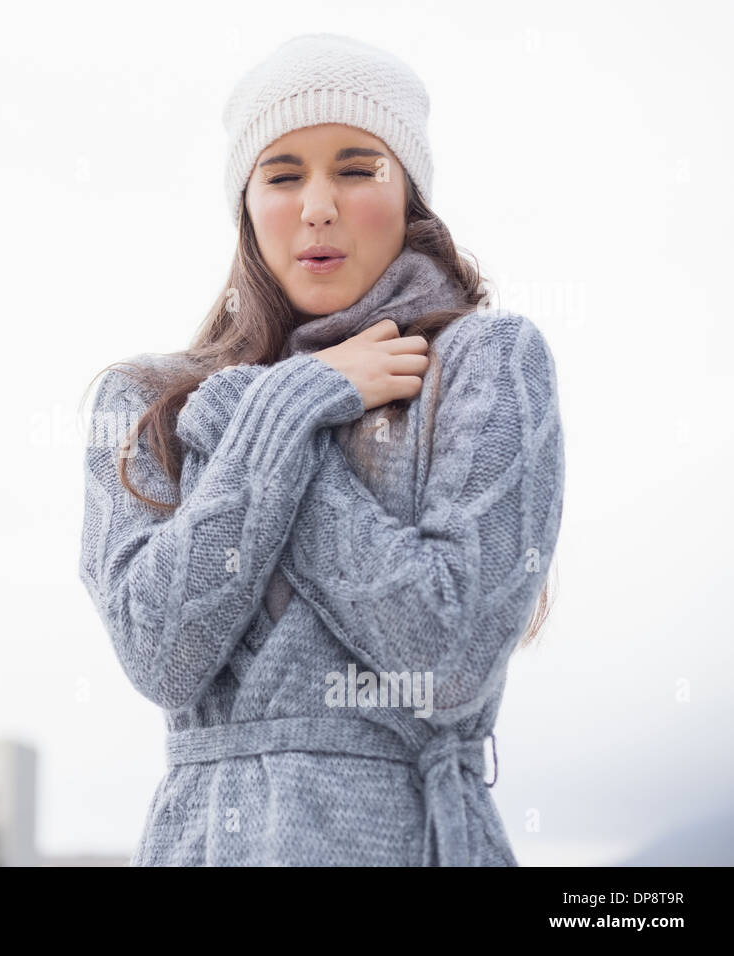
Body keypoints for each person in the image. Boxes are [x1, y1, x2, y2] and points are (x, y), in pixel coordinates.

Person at [77, 33, 565, 866]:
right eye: (283, 174)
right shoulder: (151, 404)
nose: (317, 205)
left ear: (408, 192)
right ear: (247, 205)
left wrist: (256, 425)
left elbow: (445, 658)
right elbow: (162, 654)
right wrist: (298, 402)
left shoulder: (488, 364)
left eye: (354, 166)